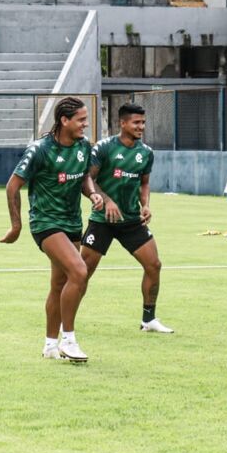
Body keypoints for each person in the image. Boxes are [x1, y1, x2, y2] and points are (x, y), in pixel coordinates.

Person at [0, 97, 103, 362]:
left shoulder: (83, 148)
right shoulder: (40, 150)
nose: (85, 124)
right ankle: (69, 340)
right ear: (64, 120)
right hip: (45, 223)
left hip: (72, 223)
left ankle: (49, 345)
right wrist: (16, 225)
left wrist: (92, 194)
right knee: (79, 271)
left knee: (60, 284)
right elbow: (13, 186)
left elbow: (84, 179)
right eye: (81, 119)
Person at [80, 103, 173, 334]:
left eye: (143, 122)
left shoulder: (146, 153)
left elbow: (144, 183)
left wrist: (146, 205)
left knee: (154, 265)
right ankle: (64, 319)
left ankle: (148, 320)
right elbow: (88, 180)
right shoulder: (103, 148)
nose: (141, 127)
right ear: (122, 123)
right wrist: (106, 200)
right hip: (102, 220)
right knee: (82, 272)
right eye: (136, 122)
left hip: (131, 221)